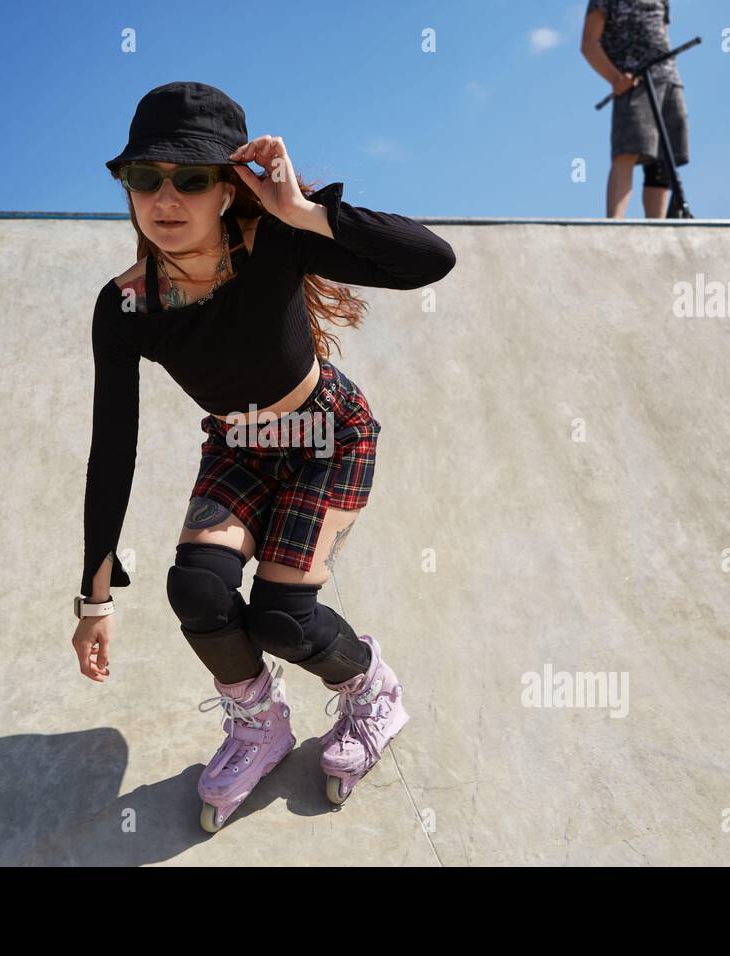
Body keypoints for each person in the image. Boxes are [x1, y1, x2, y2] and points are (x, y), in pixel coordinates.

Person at [70, 81, 455, 829]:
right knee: (199, 590)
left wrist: (302, 211)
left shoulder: (274, 241)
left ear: (227, 188)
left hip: (326, 437)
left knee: (284, 620)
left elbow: (429, 260)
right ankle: (259, 722)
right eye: (144, 178)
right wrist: (93, 595)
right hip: (240, 447)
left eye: (190, 178)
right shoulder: (124, 305)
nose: (165, 198)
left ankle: (372, 689)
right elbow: (112, 445)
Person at [581, 0, 691, 218]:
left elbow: (662, 35)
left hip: (669, 79)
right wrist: (615, 78)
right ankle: (615, 224)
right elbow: (588, 44)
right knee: (627, 152)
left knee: (663, 162)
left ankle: (658, 230)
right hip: (634, 82)